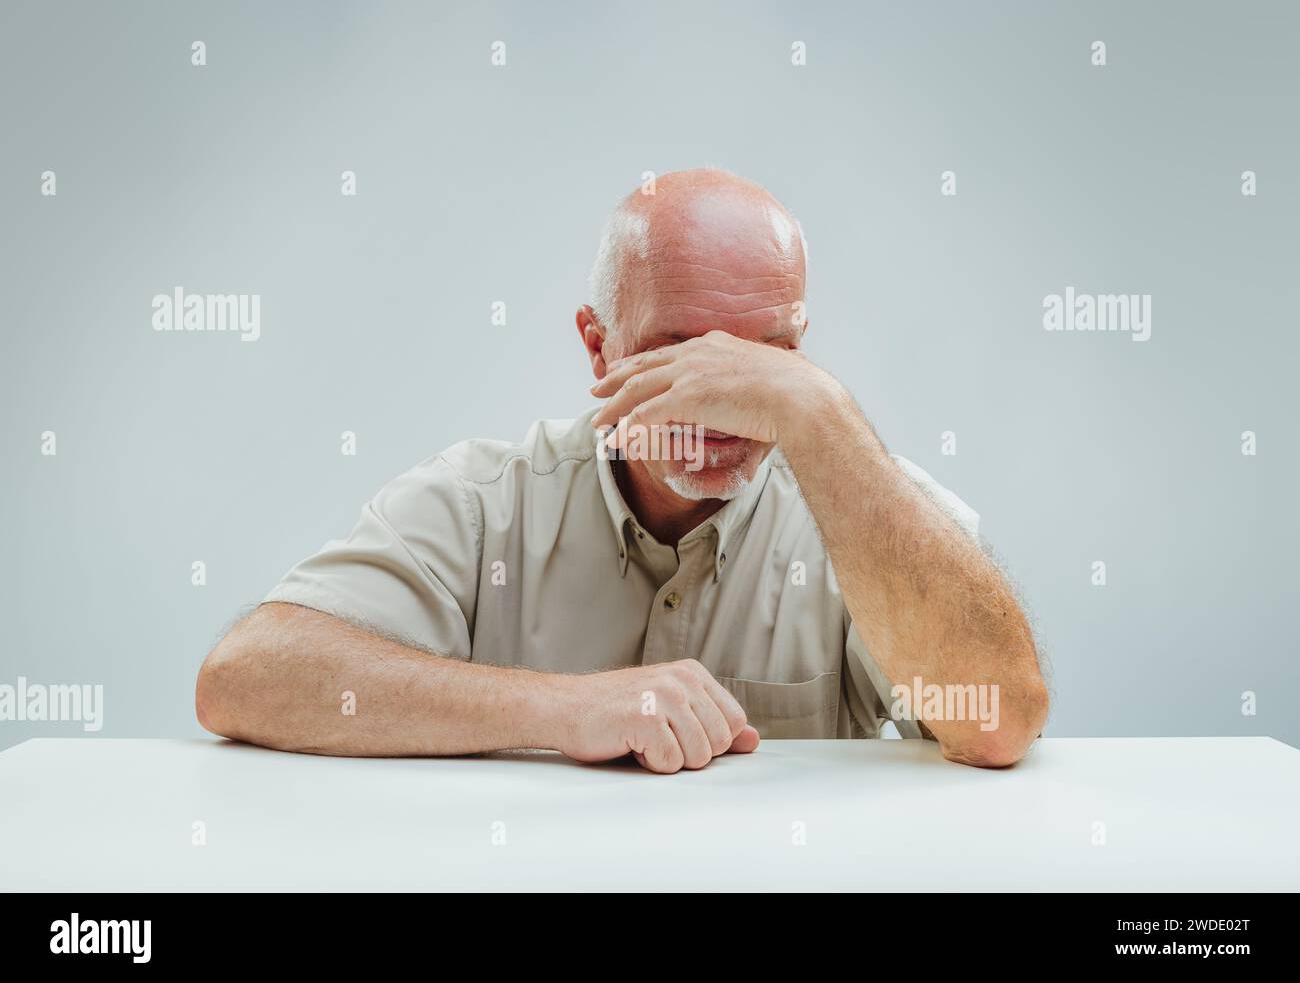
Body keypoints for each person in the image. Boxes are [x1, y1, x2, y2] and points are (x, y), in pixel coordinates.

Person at [196, 168, 1049, 773]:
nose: (725, 403)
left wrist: (821, 415)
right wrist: (563, 709)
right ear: (597, 346)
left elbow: (1001, 721)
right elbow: (247, 678)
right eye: (679, 354)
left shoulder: (863, 507)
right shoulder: (487, 504)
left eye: (768, 364)